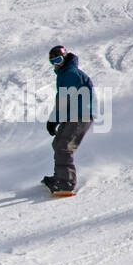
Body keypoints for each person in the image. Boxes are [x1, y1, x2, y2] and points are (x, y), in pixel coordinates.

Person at [42, 44, 94, 196]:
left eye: (58, 60)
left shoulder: (70, 73)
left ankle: (66, 182)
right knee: (58, 143)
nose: (56, 64)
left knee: (64, 146)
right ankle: (60, 178)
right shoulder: (64, 73)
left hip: (81, 115)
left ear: (64, 58)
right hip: (74, 115)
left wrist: (54, 120)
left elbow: (64, 99)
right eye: (52, 62)